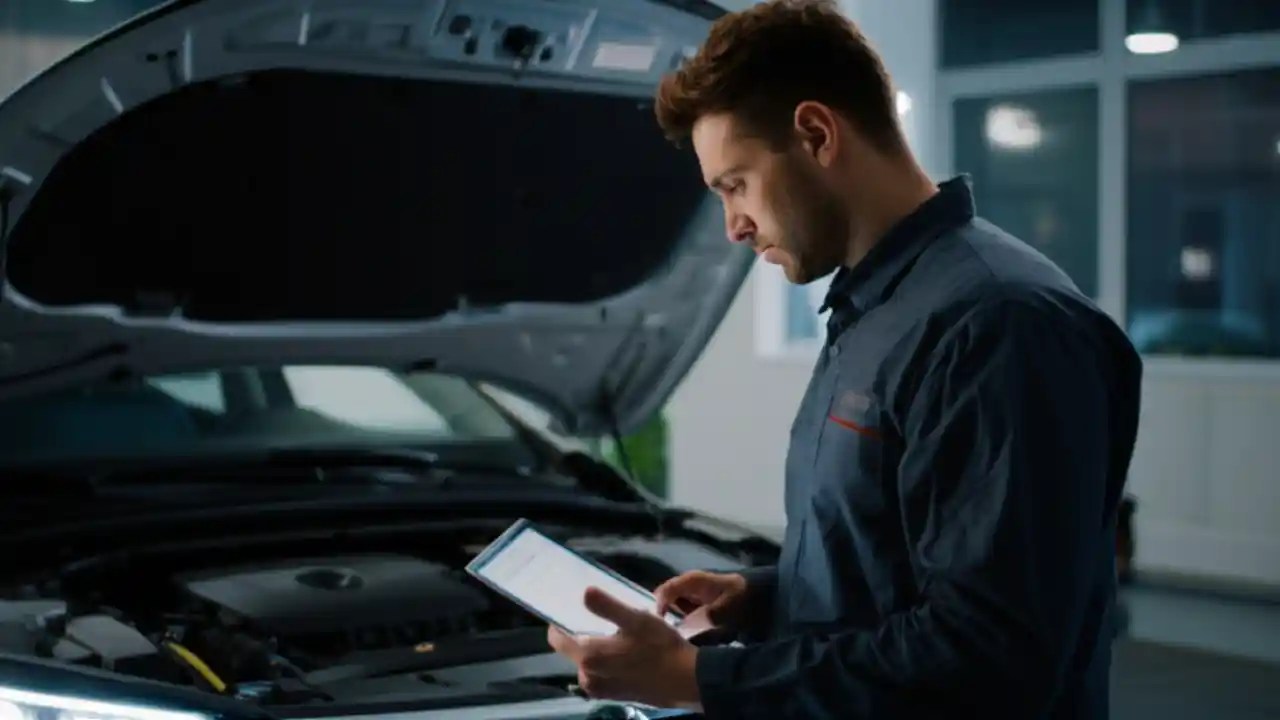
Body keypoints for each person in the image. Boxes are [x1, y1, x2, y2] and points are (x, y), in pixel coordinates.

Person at [545, 1, 1143, 717]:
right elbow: (890, 561)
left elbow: (989, 657)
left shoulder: (997, 325)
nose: (733, 225)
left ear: (816, 133)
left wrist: (698, 682)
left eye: (734, 184)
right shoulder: (877, 306)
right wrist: (762, 598)